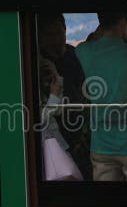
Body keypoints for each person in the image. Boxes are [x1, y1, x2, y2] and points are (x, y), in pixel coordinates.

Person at [75, 11, 127, 181]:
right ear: (123, 21)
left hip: (100, 142)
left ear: (100, 24)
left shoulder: (83, 51)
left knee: (108, 200)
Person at [37, 13, 90, 178]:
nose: (56, 39)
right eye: (50, 34)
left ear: (65, 30)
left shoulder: (73, 55)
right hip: (52, 137)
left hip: (78, 133)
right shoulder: (37, 62)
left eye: (59, 32)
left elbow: (84, 91)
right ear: (41, 36)